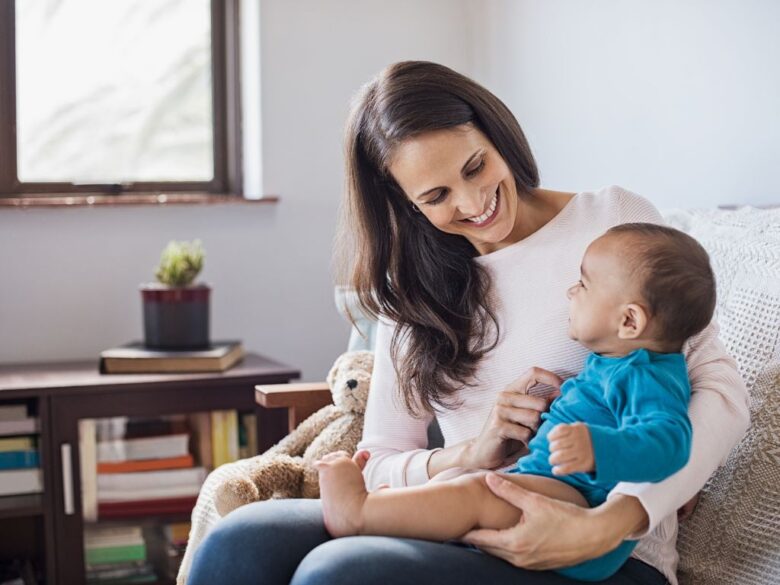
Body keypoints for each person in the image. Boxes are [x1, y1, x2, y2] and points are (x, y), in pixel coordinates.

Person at [187, 61, 749, 585]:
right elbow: (380, 462)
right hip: (463, 516)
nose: (476, 201)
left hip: (604, 551)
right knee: (240, 541)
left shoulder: (611, 227)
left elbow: (718, 391)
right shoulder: (415, 290)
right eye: (436, 195)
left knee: (339, 570)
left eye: (476, 166)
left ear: (493, 131)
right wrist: (469, 454)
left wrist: (616, 520)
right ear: (406, 204)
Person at [316, 222, 715, 582]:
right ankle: (382, 512)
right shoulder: (617, 363)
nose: (570, 291)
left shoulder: (645, 375)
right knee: (458, 483)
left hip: (580, 511)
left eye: (584, 284)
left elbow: (671, 442)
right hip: (556, 489)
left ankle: (359, 513)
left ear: (629, 321)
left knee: (475, 492)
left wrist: (598, 448)